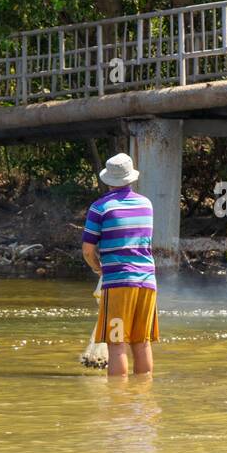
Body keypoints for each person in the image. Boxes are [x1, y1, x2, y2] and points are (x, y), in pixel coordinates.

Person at [81, 153, 159, 378]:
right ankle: (142, 398)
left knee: (116, 345)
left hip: (118, 285)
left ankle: (119, 403)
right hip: (147, 282)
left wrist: (97, 267)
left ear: (108, 180)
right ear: (131, 178)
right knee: (142, 343)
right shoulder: (146, 204)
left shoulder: (100, 208)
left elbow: (87, 250)